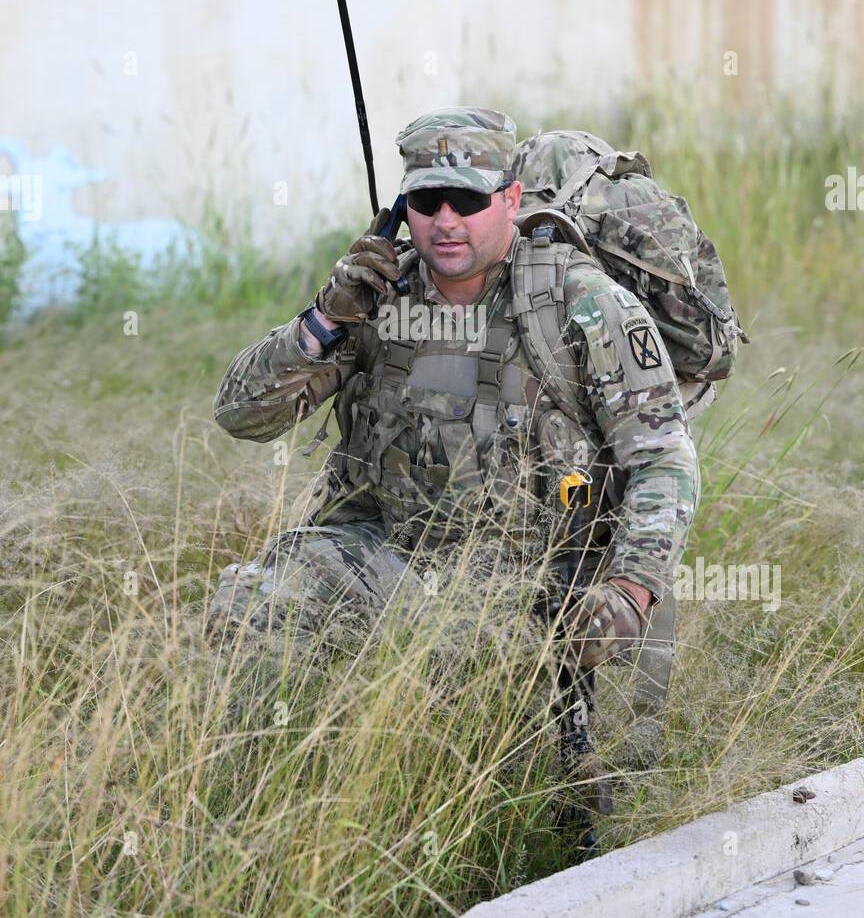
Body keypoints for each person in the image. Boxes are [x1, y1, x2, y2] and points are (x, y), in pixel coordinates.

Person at [209, 108, 700, 776]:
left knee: (565, 793)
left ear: (510, 199)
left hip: (538, 588)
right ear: (402, 207)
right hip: (393, 561)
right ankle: (268, 789)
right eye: (425, 201)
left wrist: (631, 589)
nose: (444, 221)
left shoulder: (579, 303)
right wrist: (325, 319)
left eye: (467, 200)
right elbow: (240, 415)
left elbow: (662, 461)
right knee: (252, 608)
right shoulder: (376, 293)